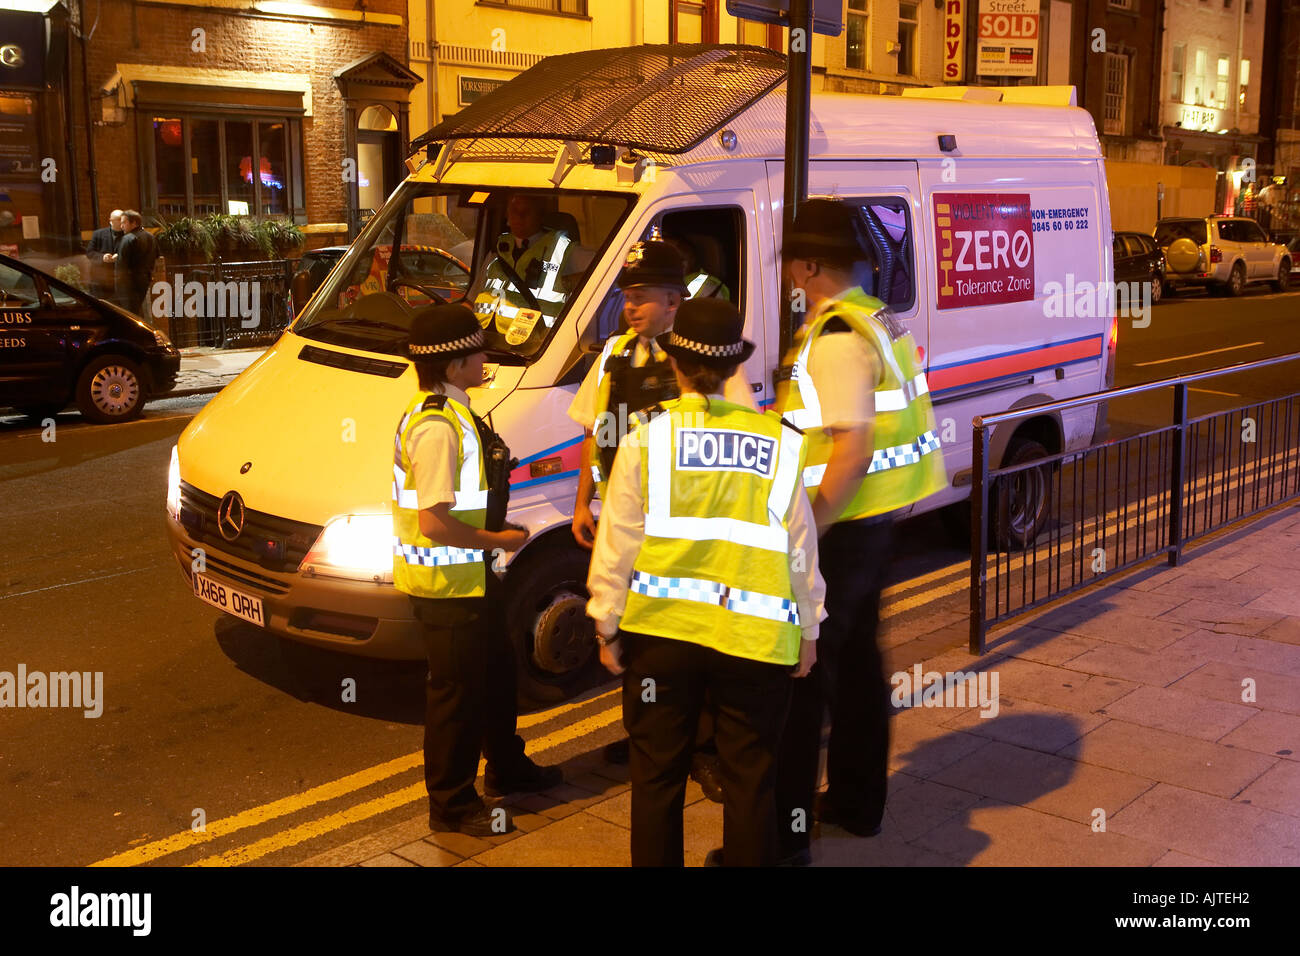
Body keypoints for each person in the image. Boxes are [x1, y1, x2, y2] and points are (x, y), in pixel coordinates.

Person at [586, 297, 825, 866]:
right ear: (734, 366)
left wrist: (605, 624)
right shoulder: (778, 440)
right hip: (755, 641)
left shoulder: (647, 436)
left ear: (675, 362)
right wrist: (810, 628)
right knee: (751, 780)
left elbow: (619, 541)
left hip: (662, 637)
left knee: (656, 775)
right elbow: (799, 545)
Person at [773, 198, 946, 863]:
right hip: (877, 517)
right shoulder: (876, 317)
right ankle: (855, 802)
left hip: (842, 525)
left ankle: (784, 836)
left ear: (809, 267)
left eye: (791, 262)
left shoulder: (837, 339)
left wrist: (808, 529)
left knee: (803, 673)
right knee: (857, 670)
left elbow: (852, 446)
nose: (787, 273)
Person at [567, 238, 751, 798]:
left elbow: (739, 438)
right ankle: (649, 733)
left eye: (643, 297)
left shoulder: (707, 361)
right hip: (628, 520)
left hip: (690, 530)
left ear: (675, 301)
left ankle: (706, 749)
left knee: (697, 637)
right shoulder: (614, 354)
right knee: (638, 635)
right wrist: (584, 501)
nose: (631, 307)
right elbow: (595, 430)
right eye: (628, 297)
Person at [393, 303, 563, 837]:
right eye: (478, 353)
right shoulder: (436, 428)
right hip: (447, 585)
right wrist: (500, 539)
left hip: (472, 576)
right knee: (456, 697)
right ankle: (451, 804)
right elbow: (434, 523)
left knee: (495, 675)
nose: (486, 359)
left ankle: (506, 767)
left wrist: (492, 530)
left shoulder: (456, 413)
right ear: (452, 365)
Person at [472, 194, 578, 350]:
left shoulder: (563, 251)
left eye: (526, 211)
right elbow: (472, 299)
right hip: (485, 346)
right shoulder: (498, 250)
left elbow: (602, 268)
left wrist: (570, 281)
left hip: (535, 351)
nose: (519, 217)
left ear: (540, 215)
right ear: (507, 215)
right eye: (514, 210)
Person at [114, 210, 158, 317]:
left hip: (128, 283)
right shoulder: (151, 237)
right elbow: (156, 256)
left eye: (124, 222)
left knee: (128, 314)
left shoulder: (128, 238)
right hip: (144, 280)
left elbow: (121, 265)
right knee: (137, 311)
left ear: (133, 223)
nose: (121, 226)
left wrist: (117, 284)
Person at [85, 209, 124, 299]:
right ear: (111, 220)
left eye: (123, 219)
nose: (122, 222)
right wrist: (103, 257)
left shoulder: (128, 235)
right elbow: (89, 253)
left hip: (121, 280)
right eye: (119, 219)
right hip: (101, 281)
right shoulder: (98, 234)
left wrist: (120, 256)